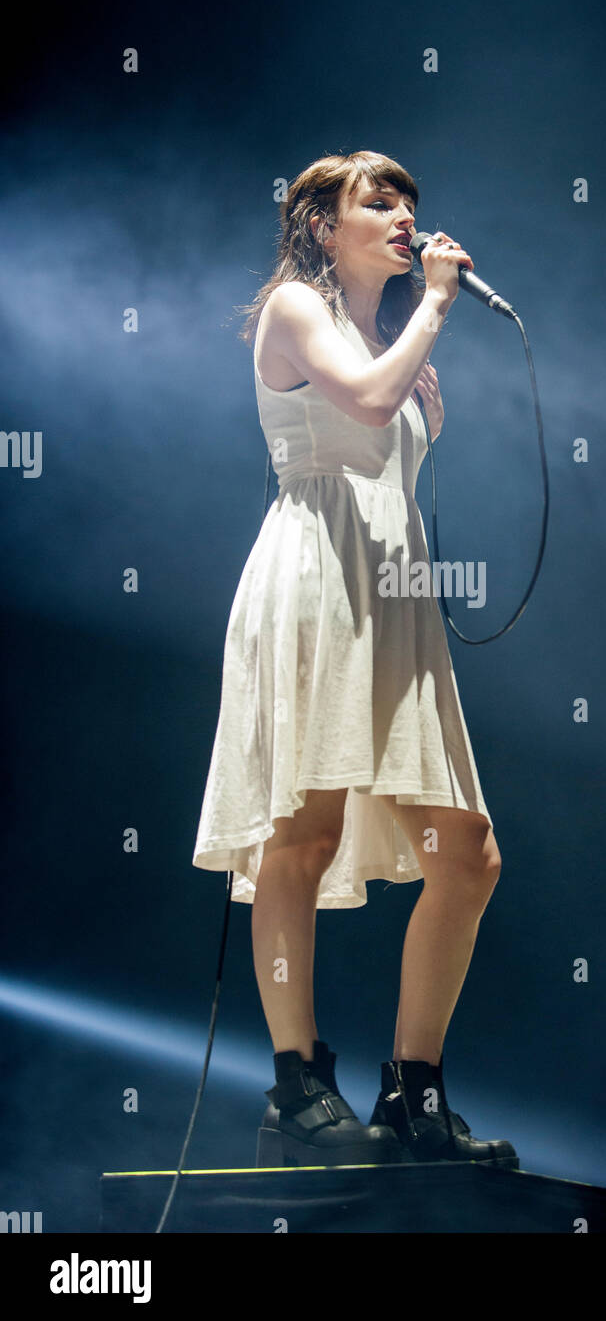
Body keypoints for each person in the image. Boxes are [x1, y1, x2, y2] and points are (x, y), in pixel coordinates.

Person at [192, 150, 517, 1171]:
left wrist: (422, 386)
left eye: (409, 200)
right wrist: (430, 313)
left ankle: (412, 1094)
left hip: (394, 598)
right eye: (379, 201)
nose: (405, 215)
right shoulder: (295, 306)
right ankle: (296, 1083)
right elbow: (365, 413)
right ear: (323, 226)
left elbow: (387, 429)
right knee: (302, 830)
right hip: (315, 578)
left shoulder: (387, 341)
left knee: (467, 855)